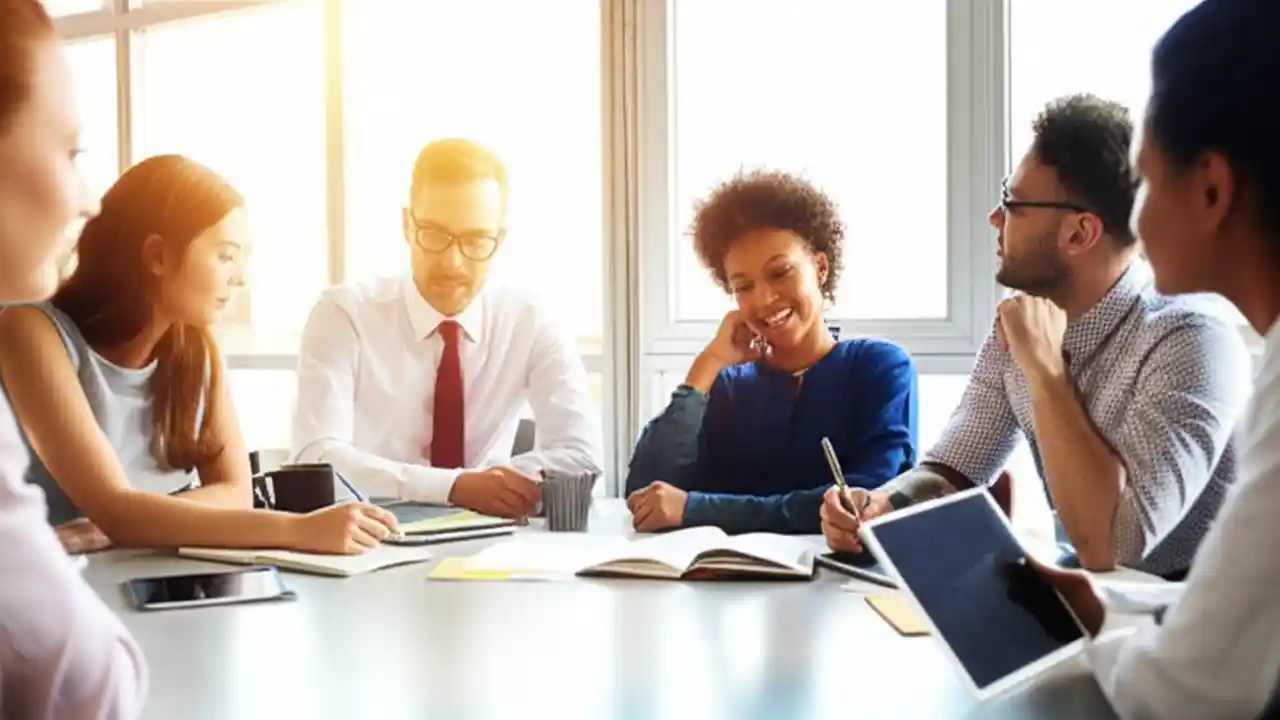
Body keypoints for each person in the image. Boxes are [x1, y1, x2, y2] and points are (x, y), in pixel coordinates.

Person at [821, 93, 1252, 578]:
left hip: (1199, 614)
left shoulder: (1192, 340)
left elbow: (1118, 546)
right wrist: (884, 504)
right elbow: (954, 468)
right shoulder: (1020, 322)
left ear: (1079, 233)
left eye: (1013, 203)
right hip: (1106, 602)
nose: (994, 219)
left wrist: (1047, 373)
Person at [1034, 1, 1280, 716]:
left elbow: (1193, 692)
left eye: (1141, 182)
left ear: (1211, 188)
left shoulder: (1202, 342)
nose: (1131, 220)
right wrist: (1117, 613)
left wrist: (1096, 628)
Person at [0, 154, 398, 554]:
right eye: (225, 255)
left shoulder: (195, 348)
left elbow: (235, 491)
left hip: (154, 567)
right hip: (52, 583)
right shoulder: (30, 332)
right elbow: (116, 509)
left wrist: (135, 524)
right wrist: (297, 530)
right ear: (157, 257)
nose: (240, 276)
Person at [291, 138, 602, 518]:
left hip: (487, 539)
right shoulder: (344, 315)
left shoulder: (530, 319)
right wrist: (455, 487)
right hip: (370, 534)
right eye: (435, 235)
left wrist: (499, 484)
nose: (453, 262)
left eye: (475, 240)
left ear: (499, 240)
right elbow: (314, 458)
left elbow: (581, 453)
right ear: (407, 225)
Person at [626, 170, 917, 533]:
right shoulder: (728, 386)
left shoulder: (879, 367)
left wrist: (699, 509)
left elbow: (870, 498)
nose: (763, 300)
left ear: (820, 267)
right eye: (743, 286)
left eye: (780, 273)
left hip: (839, 585)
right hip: (725, 585)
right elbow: (646, 496)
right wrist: (707, 366)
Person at [0, 1, 146, 716]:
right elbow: (78, 683)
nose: (88, 201)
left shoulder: (195, 353)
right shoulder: (30, 332)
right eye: (69, 151)